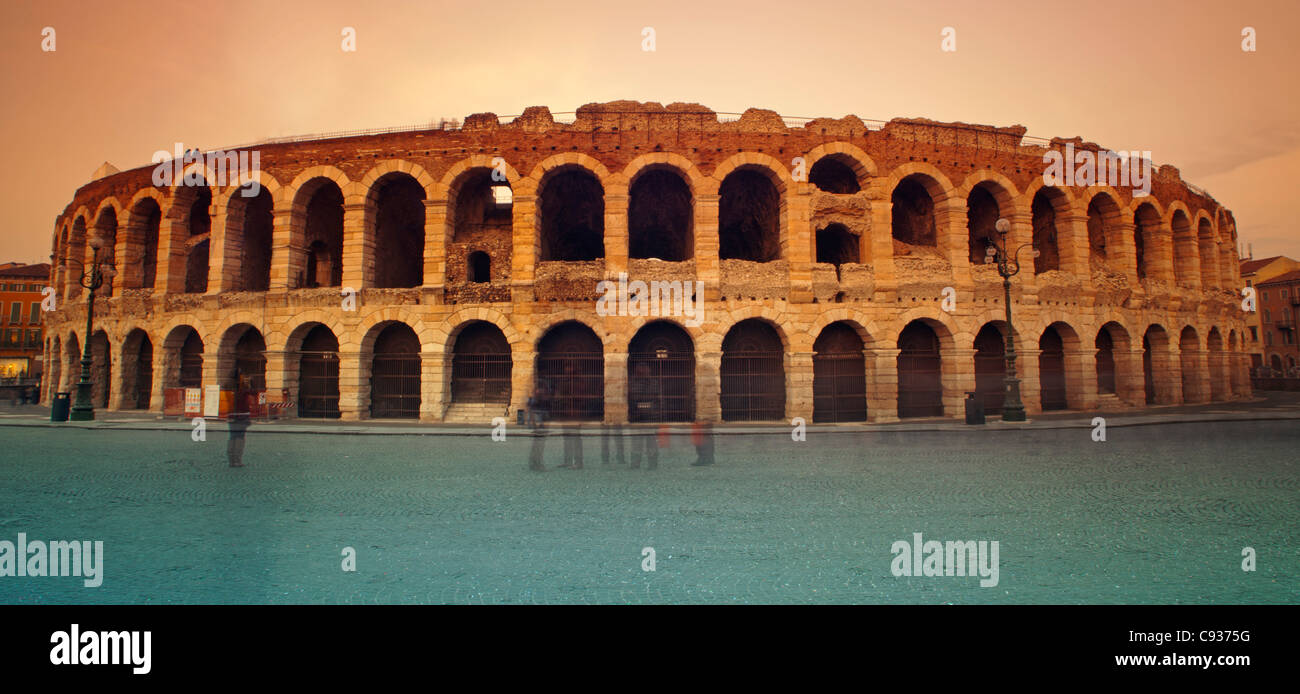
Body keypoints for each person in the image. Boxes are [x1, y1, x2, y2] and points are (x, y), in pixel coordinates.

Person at [629, 362, 659, 469]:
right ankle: (638, 463)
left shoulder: (653, 382)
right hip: (640, 415)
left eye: (643, 368)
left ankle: (650, 463)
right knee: (638, 440)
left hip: (648, 415)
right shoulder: (632, 382)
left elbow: (656, 398)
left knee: (649, 440)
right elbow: (631, 396)